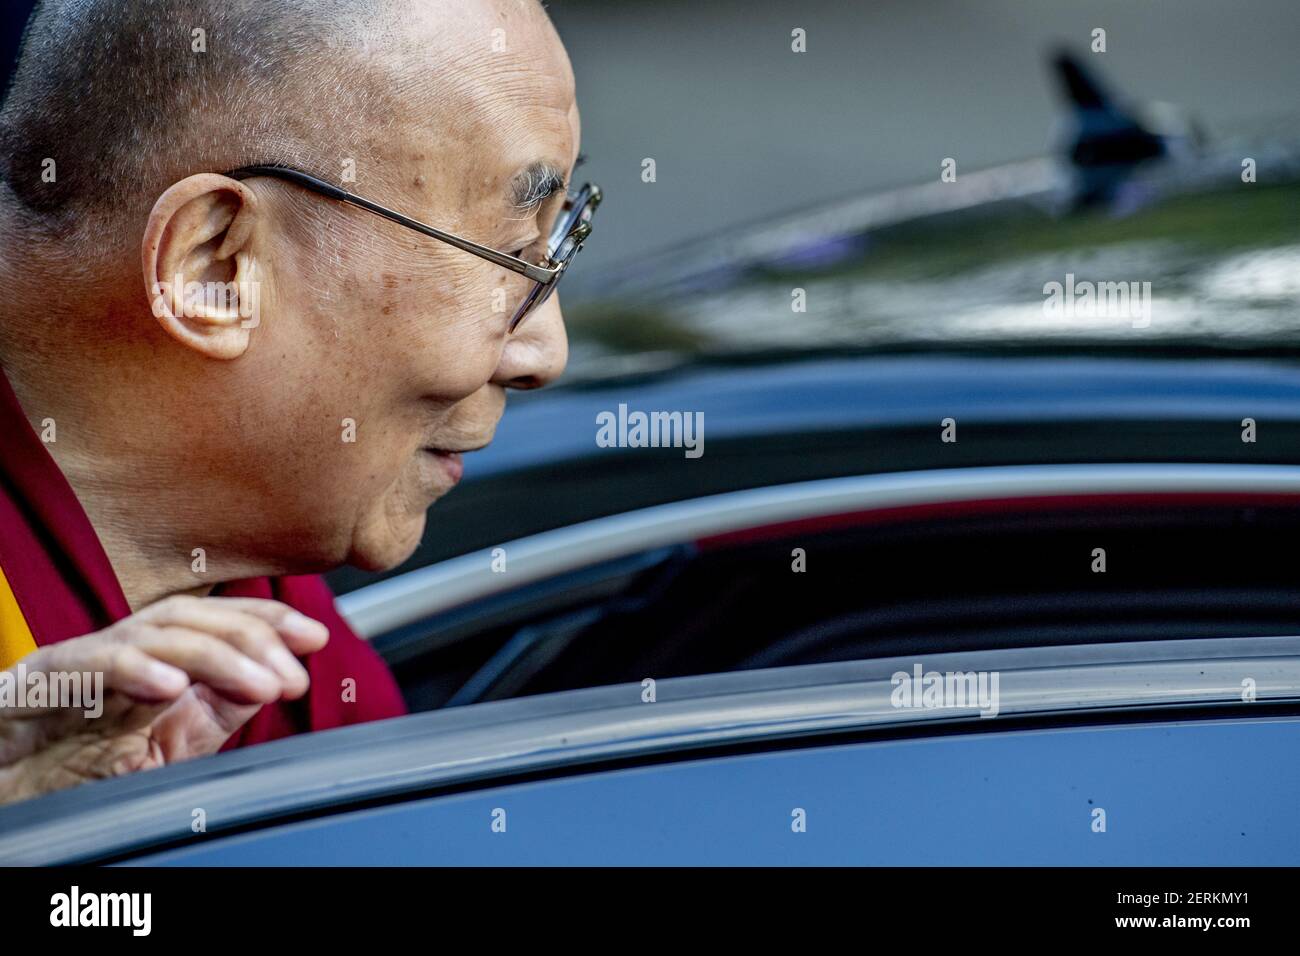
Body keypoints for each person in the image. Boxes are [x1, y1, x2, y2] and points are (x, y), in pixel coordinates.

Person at [0, 0, 587, 805]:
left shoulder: (264, 612)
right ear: (214, 268)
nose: (543, 355)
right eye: (512, 255)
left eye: (556, 248)